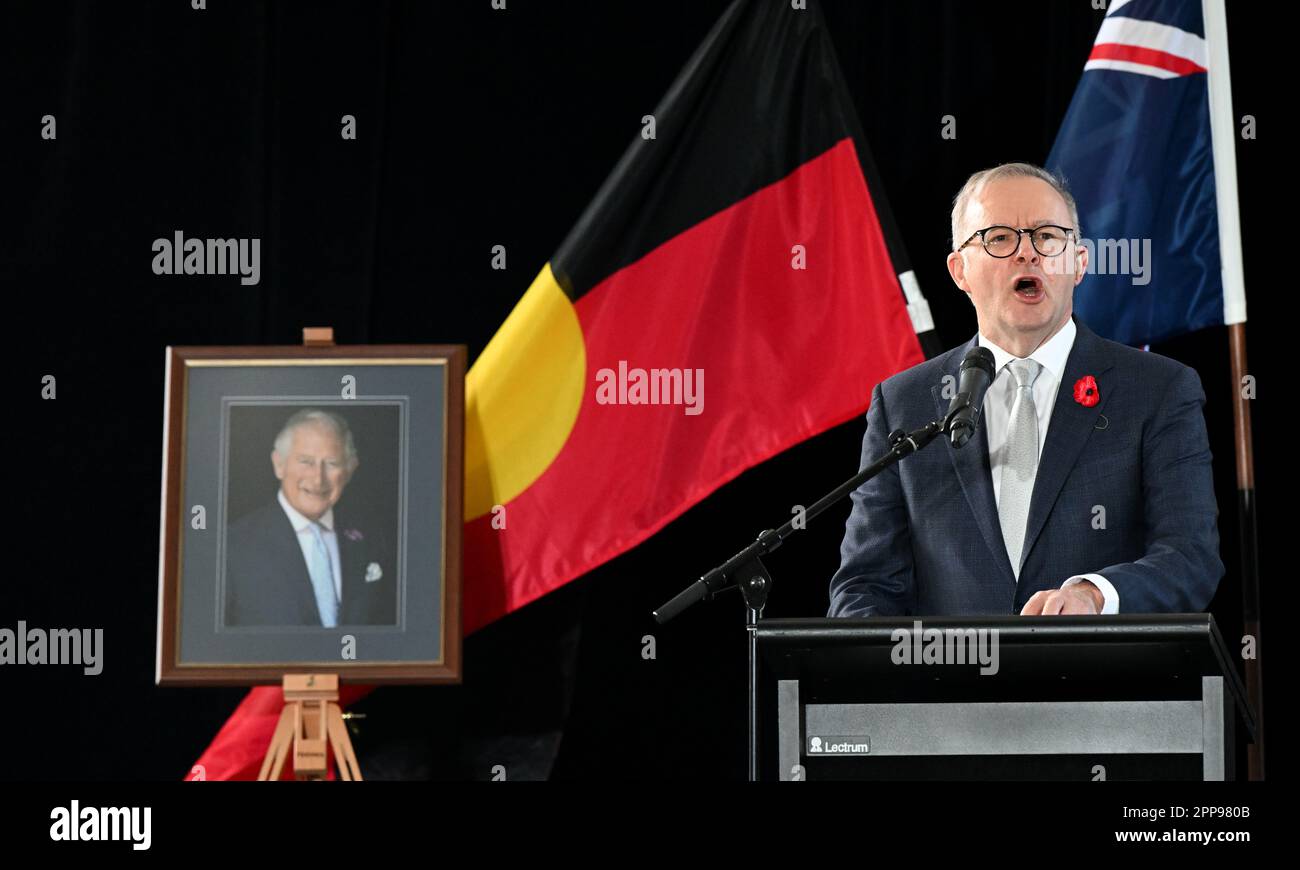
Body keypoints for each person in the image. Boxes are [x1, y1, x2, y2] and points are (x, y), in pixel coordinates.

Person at [828, 162, 1222, 617]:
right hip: (950, 683)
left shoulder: (1159, 390)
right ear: (959, 270)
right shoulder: (904, 403)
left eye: (1047, 236)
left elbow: (1190, 559)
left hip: (1102, 683)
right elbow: (865, 585)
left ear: (1079, 262)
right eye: (998, 238)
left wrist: (1093, 596)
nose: (1027, 254)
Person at [226, 408, 395, 626]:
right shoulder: (233, 547)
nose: (318, 479)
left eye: (332, 463)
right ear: (279, 465)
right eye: (306, 461)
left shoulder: (374, 539)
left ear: (350, 470)